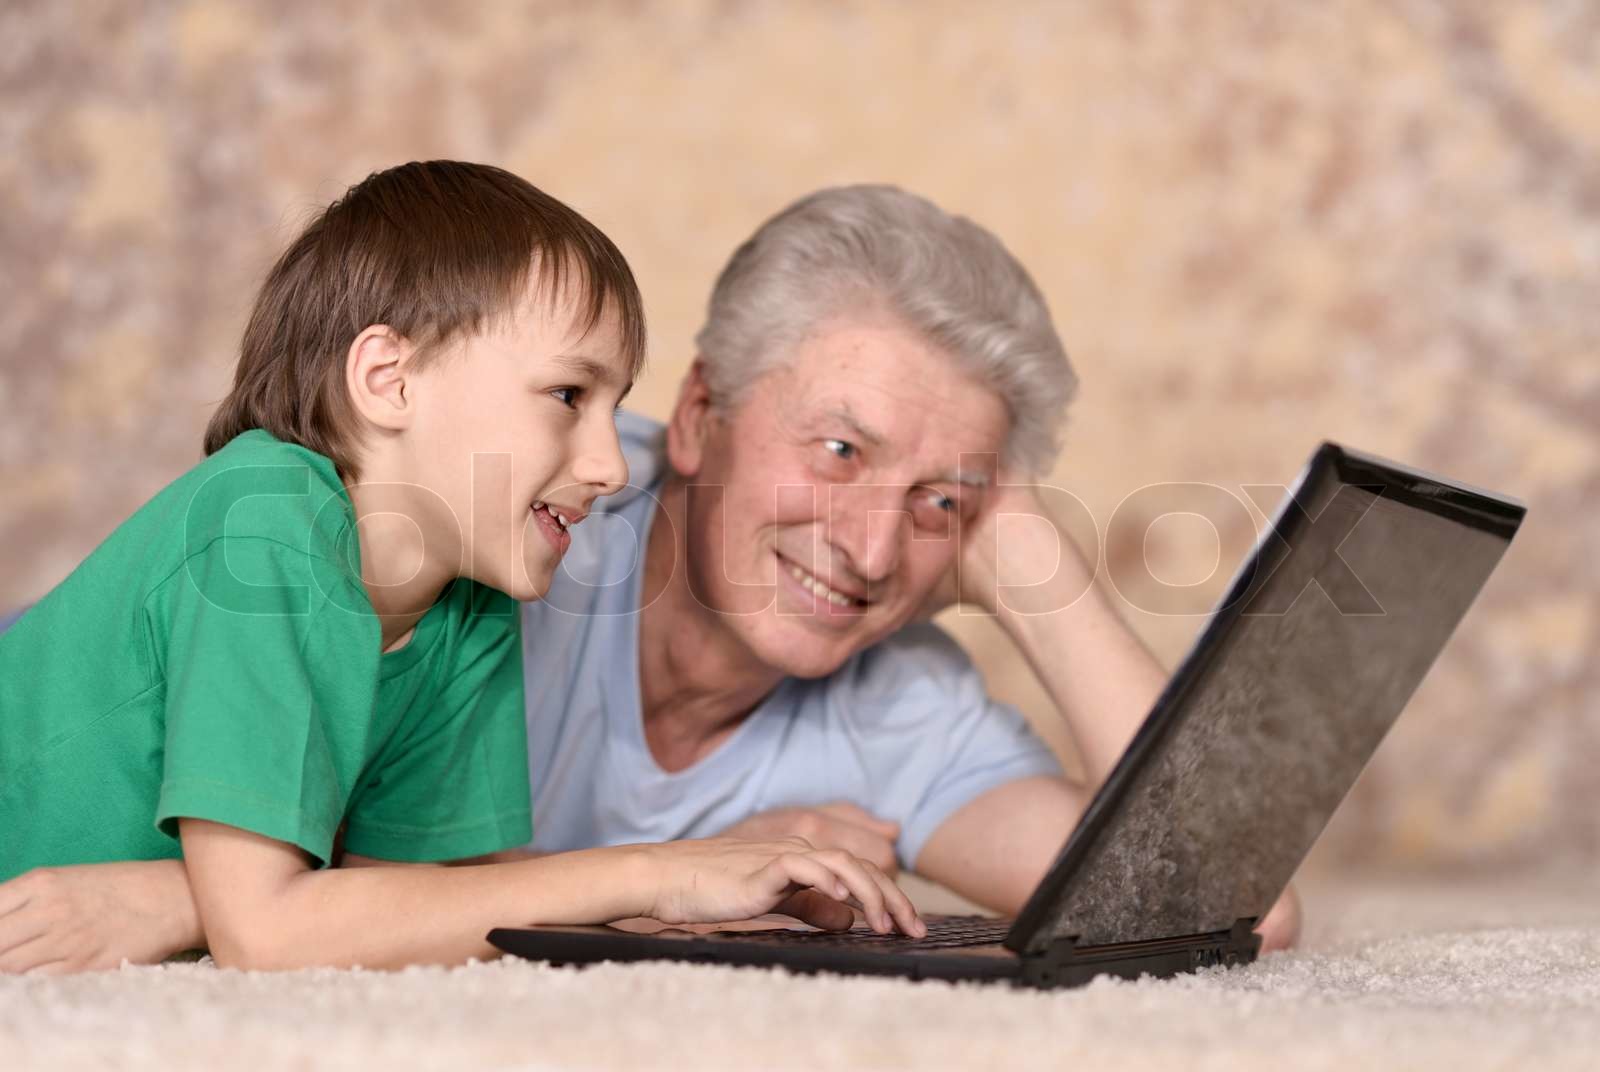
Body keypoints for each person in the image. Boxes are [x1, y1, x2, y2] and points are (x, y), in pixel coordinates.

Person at [0, 164, 922, 975]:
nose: (611, 465)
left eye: (613, 408)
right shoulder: (264, 522)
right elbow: (268, 934)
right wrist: (653, 871)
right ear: (389, 379)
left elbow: (424, 892)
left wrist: (705, 889)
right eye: (568, 393)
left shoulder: (468, 600)